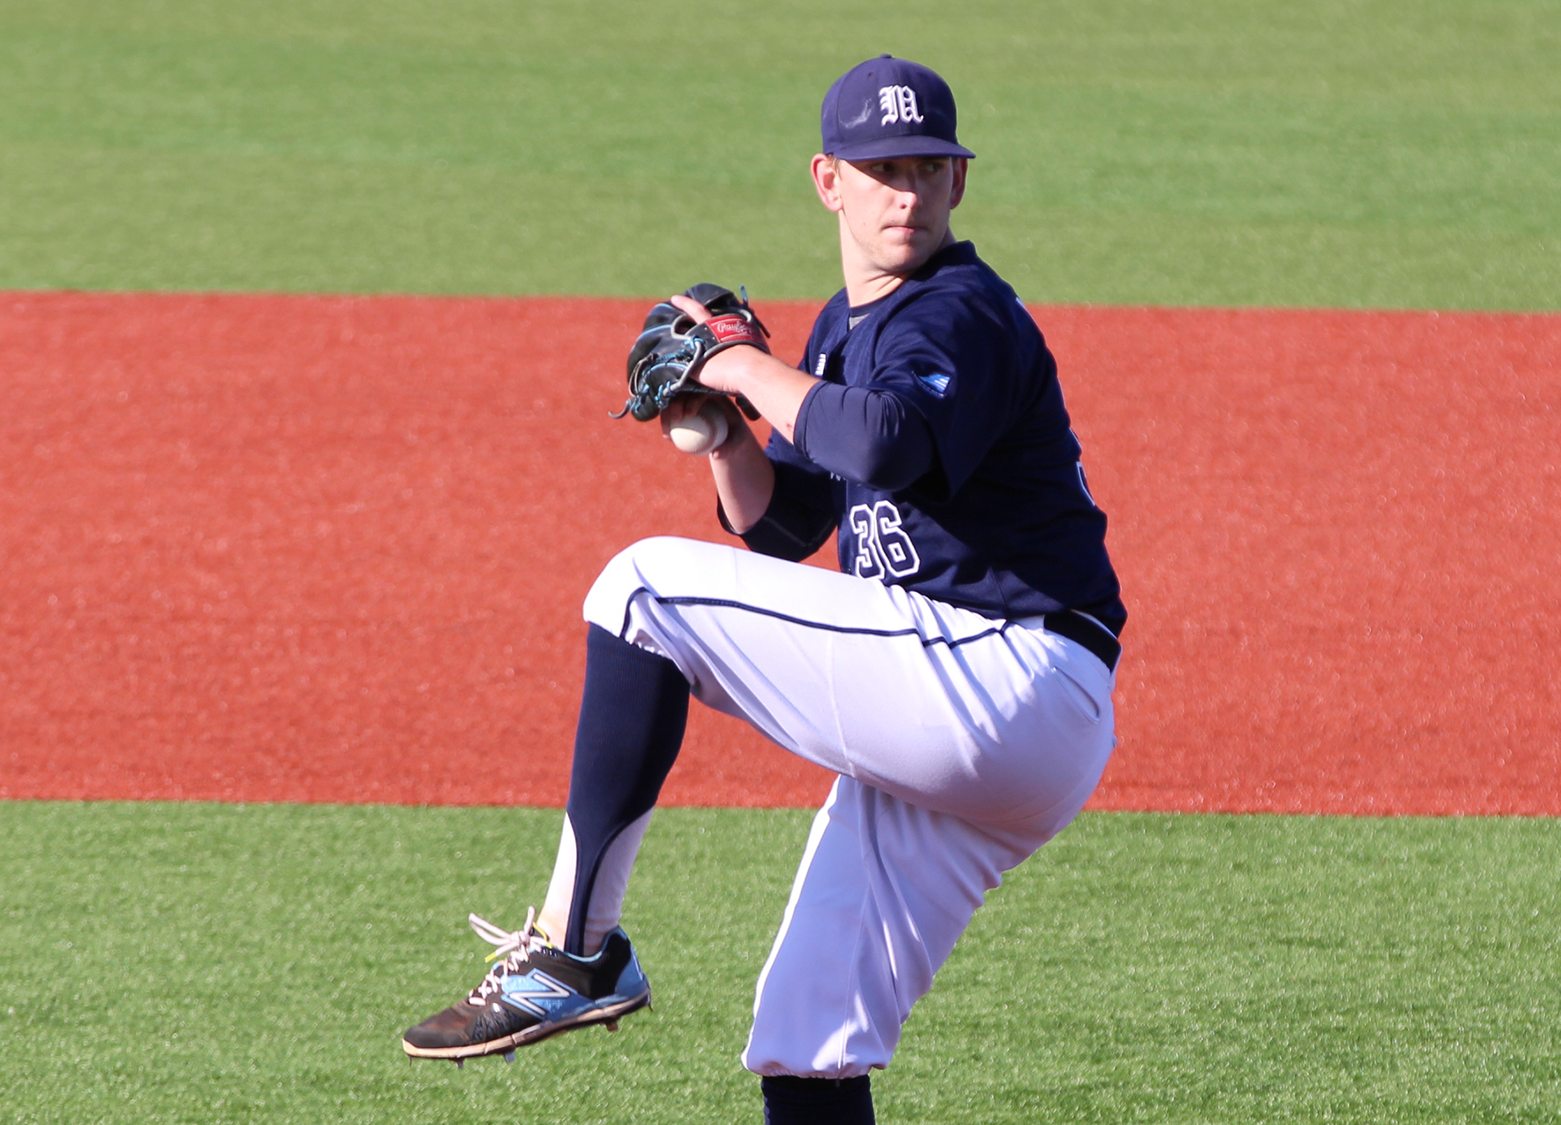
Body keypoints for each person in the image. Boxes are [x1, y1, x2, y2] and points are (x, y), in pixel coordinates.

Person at [402, 55, 1125, 1125]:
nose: (906, 191)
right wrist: (716, 426)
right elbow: (782, 527)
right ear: (827, 179)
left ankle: (573, 951)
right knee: (807, 1036)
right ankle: (586, 963)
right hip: (974, 716)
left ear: (957, 185)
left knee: (639, 589)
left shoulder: (957, 312)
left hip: (1004, 670)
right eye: (881, 169)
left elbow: (881, 445)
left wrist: (737, 361)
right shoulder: (844, 327)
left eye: (928, 167)